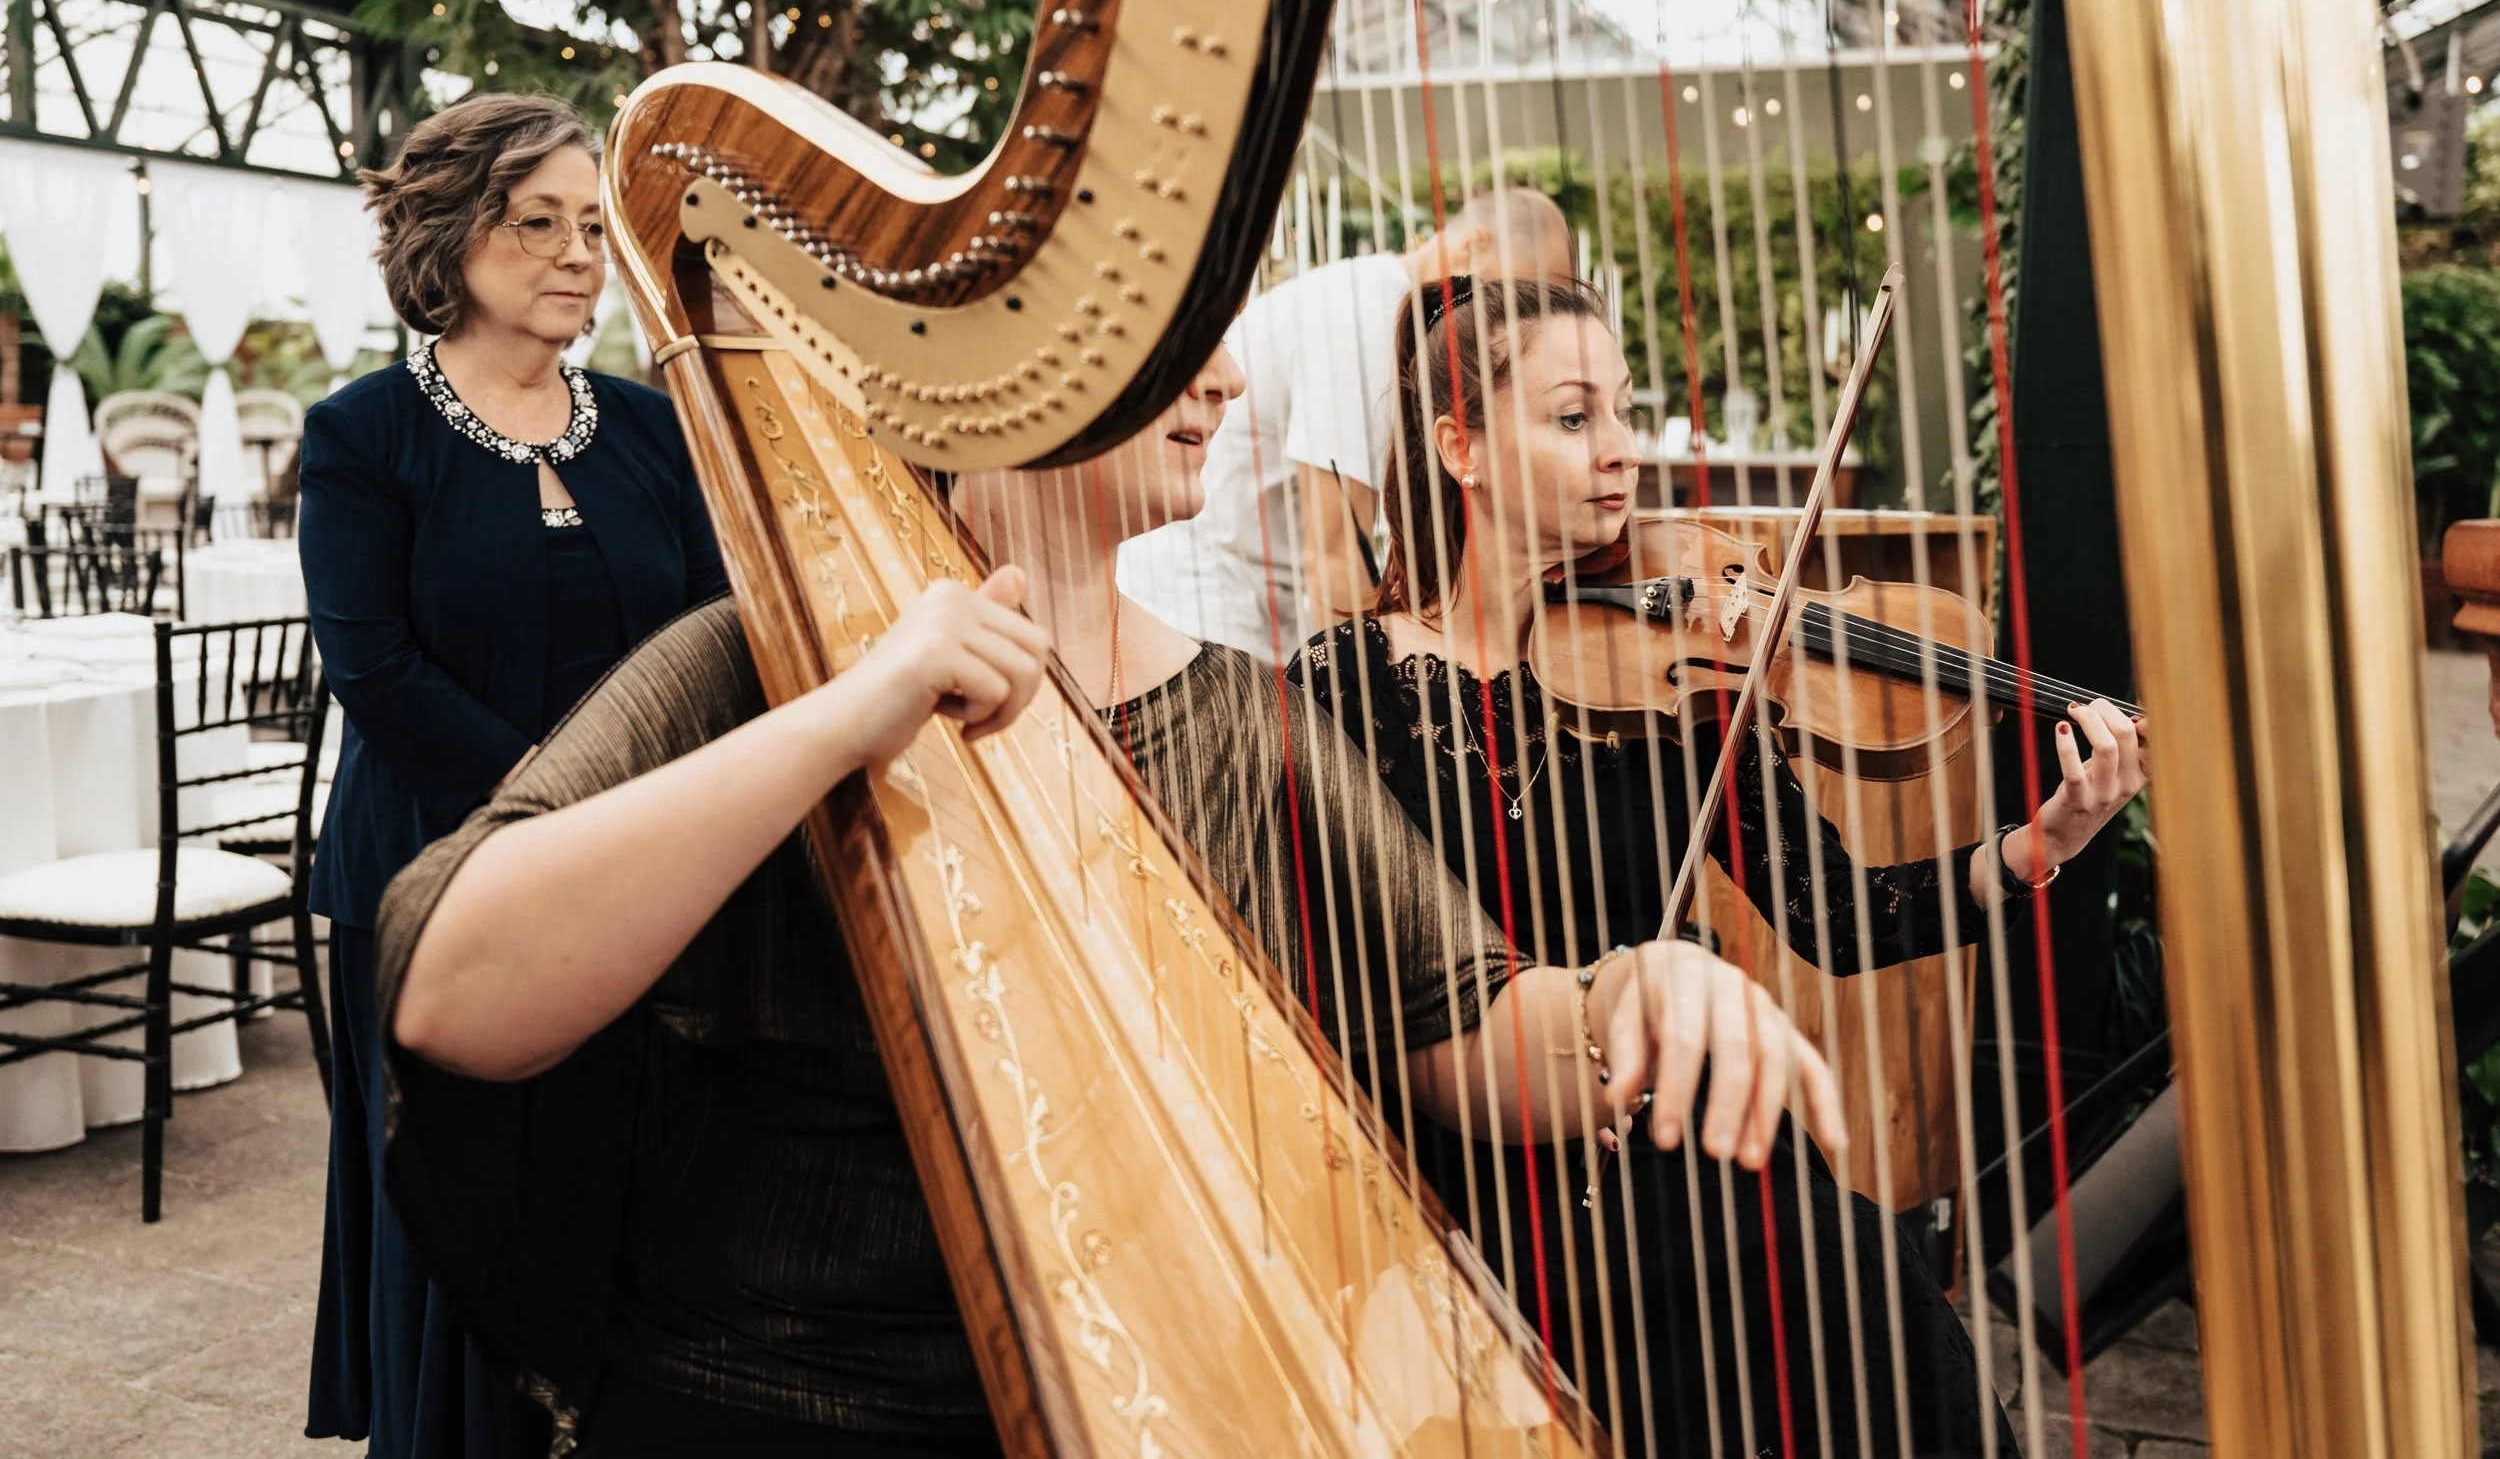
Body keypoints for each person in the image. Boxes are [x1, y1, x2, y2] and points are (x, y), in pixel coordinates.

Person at [368, 346, 1849, 1456]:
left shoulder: (1247, 715)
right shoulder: (758, 659)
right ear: (1005, 374)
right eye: (1174, 339)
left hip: (1155, 1385)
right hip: (772, 1398)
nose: (1228, 378)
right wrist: (850, 709)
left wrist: (1631, 991)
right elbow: (454, 995)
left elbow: (1460, 1024)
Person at [1289, 278, 2149, 1457]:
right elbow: (1349, 980)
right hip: (1481, 1163)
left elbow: (1841, 913)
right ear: (1462, 446)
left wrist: (2037, 844)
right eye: (1575, 417)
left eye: (1626, 414)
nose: (1624, 452)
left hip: (1684, 1133)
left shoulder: (1672, 668)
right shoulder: (1345, 683)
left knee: (1861, 1287)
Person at [300, 92, 729, 1458]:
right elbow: (375, 665)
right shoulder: (365, 431)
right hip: (432, 873)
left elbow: (719, 630)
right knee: (464, 1197)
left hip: (632, 878)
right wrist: (563, 794)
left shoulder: (655, 428)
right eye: (534, 221)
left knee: (609, 1186)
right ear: (448, 236)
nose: (576, 253)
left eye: (592, 225)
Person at [1118, 186, 1573, 659]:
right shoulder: (1363, 318)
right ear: (1473, 245)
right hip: (1207, 616)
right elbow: (1334, 554)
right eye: (1517, 292)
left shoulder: (1377, 304)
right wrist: (1382, 695)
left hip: (1239, 611)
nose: (1517, 318)